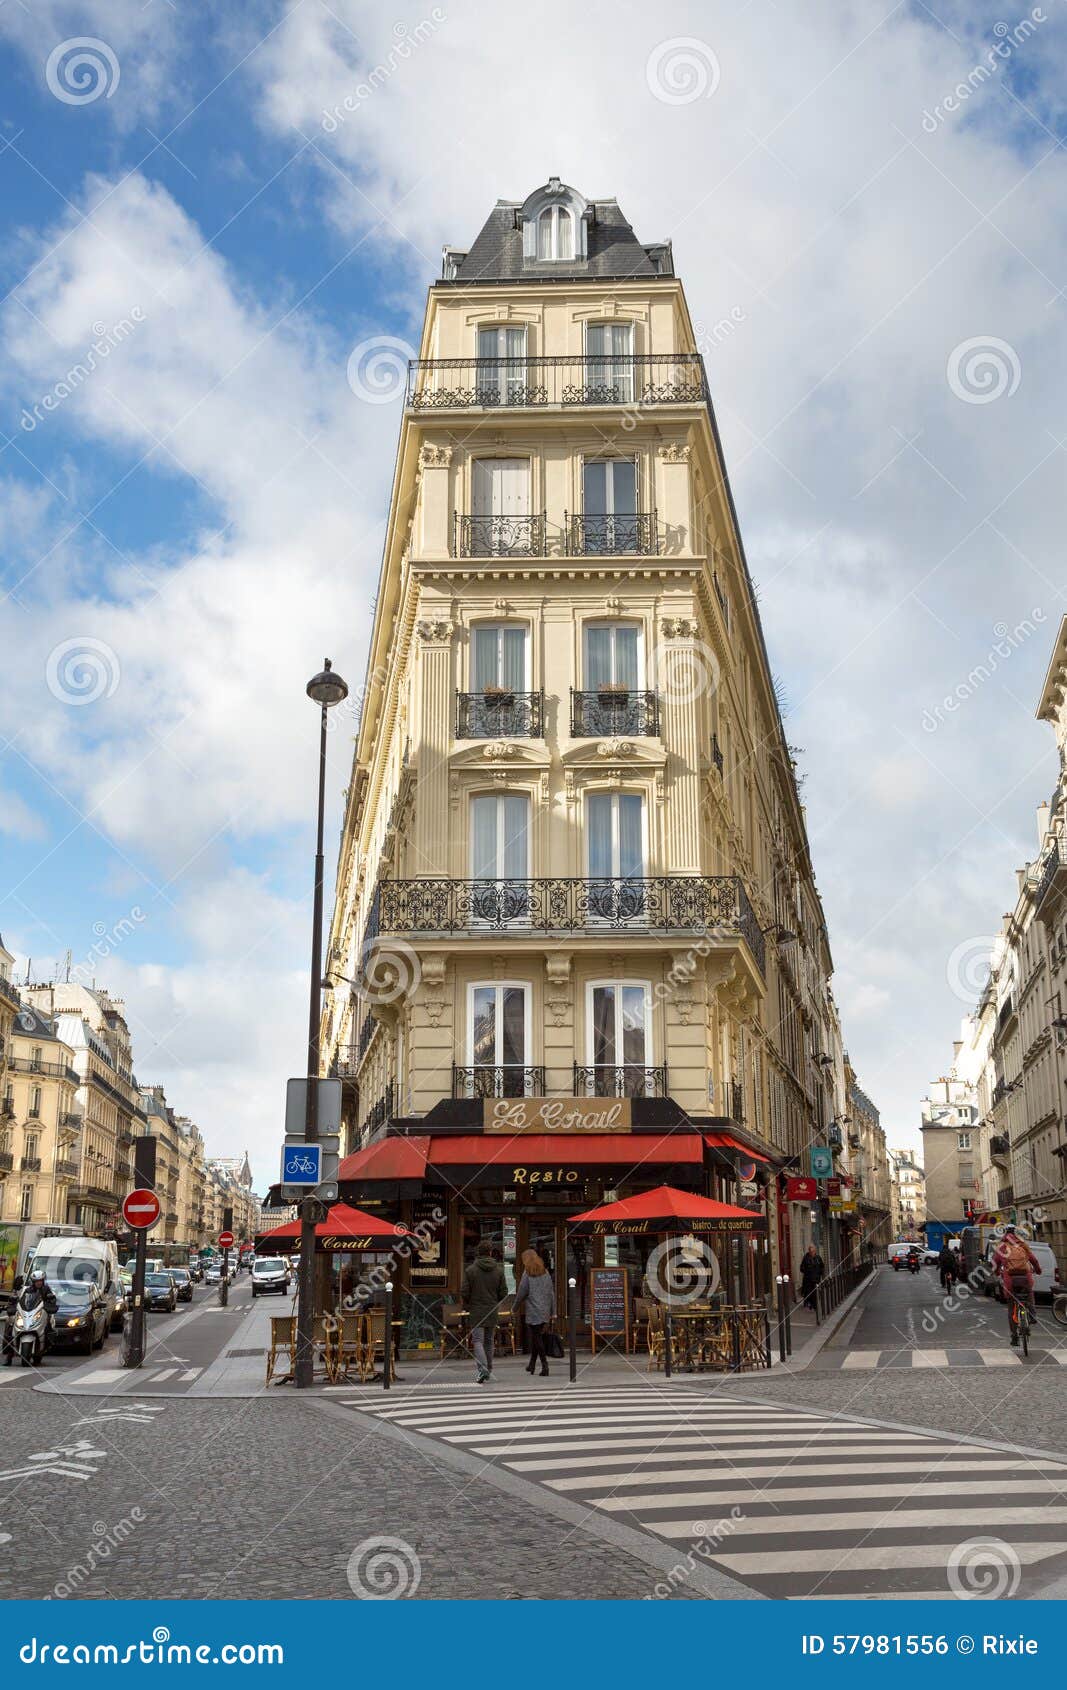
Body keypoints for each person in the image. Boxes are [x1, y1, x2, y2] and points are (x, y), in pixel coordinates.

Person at [461, 1240, 508, 1383]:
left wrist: (470, 1302)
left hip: (476, 1310)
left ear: (478, 1253)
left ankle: (483, 1370)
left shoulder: (470, 1270)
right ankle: (489, 1368)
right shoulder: (499, 1270)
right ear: (490, 1252)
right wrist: (494, 1301)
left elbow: (464, 1291)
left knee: (477, 1341)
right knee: (489, 1341)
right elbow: (504, 1292)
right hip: (492, 1309)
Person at [992, 1225, 1041, 1346]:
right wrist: (1038, 1270)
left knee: (1011, 1308)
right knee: (1029, 1295)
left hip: (1010, 1281)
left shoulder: (1002, 1247)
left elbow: (995, 1263)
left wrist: (997, 1272)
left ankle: (1014, 1337)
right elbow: (1034, 1260)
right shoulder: (1023, 1245)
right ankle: (1032, 1315)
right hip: (1025, 1279)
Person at [513, 1248, 555, 1378]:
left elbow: (521, 1292)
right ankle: (531, 1364)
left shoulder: (527, 1274)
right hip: (545, 1310)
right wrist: (553, 1311)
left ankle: (545, 1365)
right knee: (538, 1338)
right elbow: (551, 1293)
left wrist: (514, 1308)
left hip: (533, 1311)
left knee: (537, 1338)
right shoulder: (546, 1272)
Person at [799, 1243, 824, 1311]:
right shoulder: (806, 1258)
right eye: (810, 1251)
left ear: (815, 1251)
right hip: (808, 1280)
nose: (812, 1252)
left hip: (816, 1279)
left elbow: (822, 1266)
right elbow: (801, 1268)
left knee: (815, 1292)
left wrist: (820, 1273)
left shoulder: (818, 1258)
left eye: (813, 1251)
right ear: (809, 1251)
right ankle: (809, 1304)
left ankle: (814, 1305)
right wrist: (807, 1272)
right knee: (808, 1292)